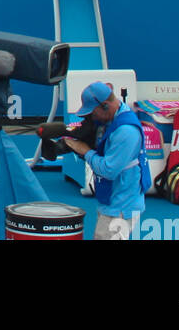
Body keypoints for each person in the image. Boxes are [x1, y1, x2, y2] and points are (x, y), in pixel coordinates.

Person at [63, 80, 150, 241]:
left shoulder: (127, 132)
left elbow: (108, 170)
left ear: (105, 105)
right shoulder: (110, 119)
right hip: (114, 200)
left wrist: (85, 151)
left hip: (122, 206)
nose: (91, 117)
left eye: (92, 112)